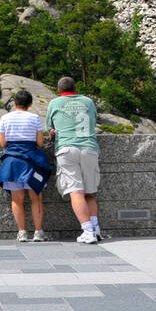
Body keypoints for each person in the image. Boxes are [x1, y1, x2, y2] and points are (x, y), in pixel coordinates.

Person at [45, 76, 102, 244]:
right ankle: (96, 228)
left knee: (76, 192)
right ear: (76, 88)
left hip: (67, 149)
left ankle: (87, 231)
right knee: (89, 193)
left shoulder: (54, 103)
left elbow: (51, 129)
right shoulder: (88, 101)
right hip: (89, 148)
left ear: (59, 91)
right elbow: (94, 120)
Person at [0, 90, 51, 242]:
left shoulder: (5, 118)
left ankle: (22, 233)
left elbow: (3, 143)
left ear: (14, 103)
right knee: (36, 198)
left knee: (16, 199)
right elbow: (40, 143)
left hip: (13, 163)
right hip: (32, 161)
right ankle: (38, 232)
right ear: (30, 104)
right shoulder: (34, 118)